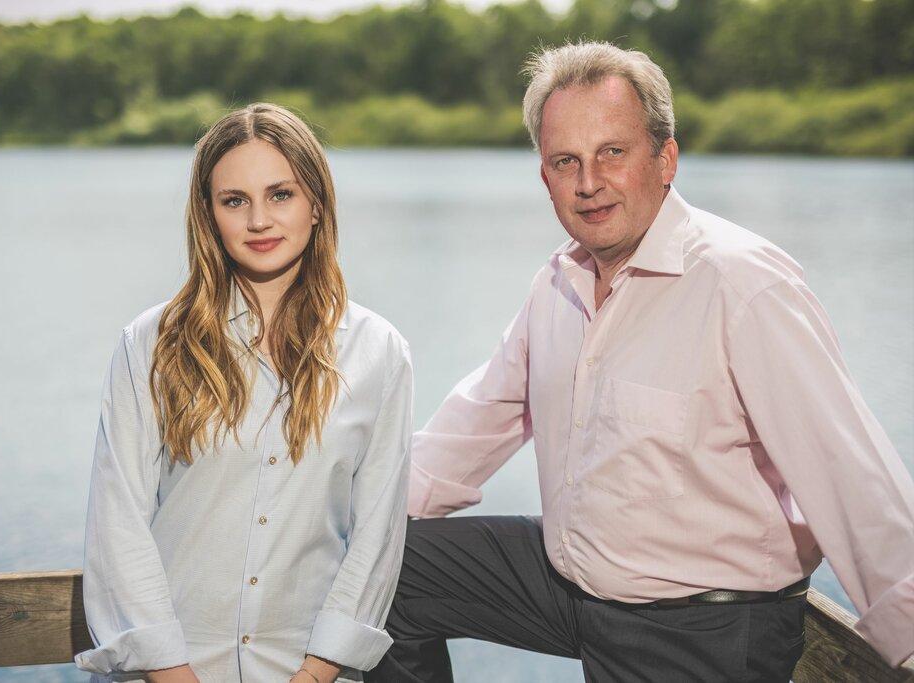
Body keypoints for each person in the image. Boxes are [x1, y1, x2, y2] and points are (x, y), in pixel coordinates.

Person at [367, 41, 914, 683]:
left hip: (703, 624)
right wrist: (347, 524)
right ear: (544, 177)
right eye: (566, 161)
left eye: (612, 153)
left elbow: (847, 472)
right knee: (384, 571)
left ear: (665, 159)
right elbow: (473, 425)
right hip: (574, 588)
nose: (588, 183)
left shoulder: (742, 285)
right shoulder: (558, 285)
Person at [74, 103, 413, 683]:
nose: (259, 220)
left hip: (310, 673)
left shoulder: (379, 351)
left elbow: (377, 537)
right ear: (208, 215)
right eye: (234, 200)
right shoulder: (149, 343)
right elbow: (118, 526)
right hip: (170, 673)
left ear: (316, 205)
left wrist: (313, 675)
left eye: (280, 194)